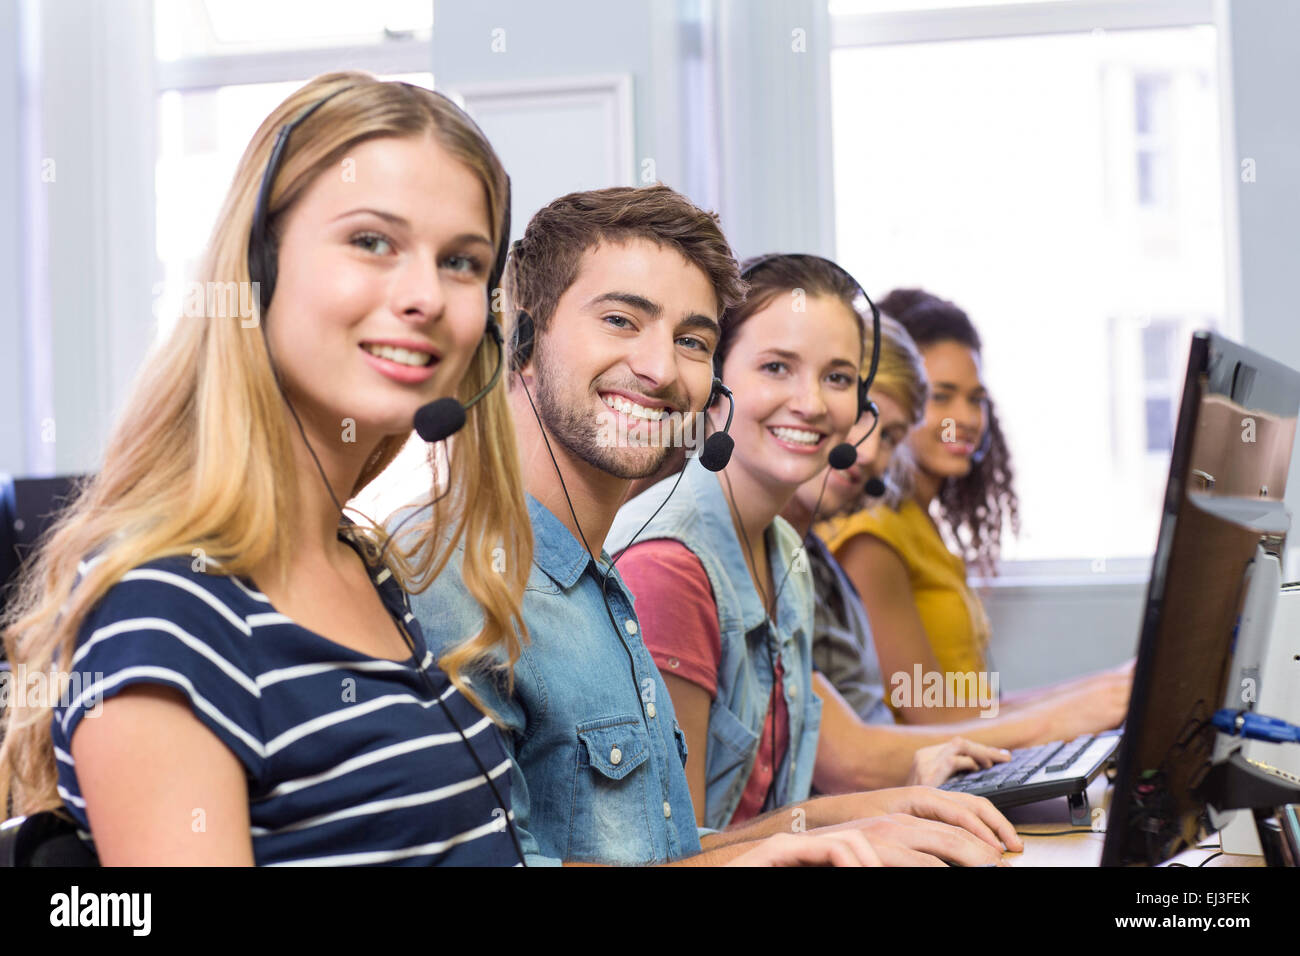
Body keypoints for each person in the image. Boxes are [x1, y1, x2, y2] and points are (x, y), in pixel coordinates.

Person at [0, 73, 533, 865]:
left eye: (461, 261)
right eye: (371, 241)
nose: (425, 294)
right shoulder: (169, 612)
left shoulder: (360, 561)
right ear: (259, 268)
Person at [410, 195, 1018, 866]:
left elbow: (664, 851)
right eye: (620, 320)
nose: (660, 368)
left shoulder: (596, 583)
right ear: (519, 342)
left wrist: (870, 815)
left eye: (692, 341)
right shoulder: (450, 580)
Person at [607, 254, 1023, 853]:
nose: (811, 402)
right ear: (715, 380)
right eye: (777, 367)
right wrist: (865, 820)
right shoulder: (671, 567)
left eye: (837, 378)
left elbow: (778, 812)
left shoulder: (784, 550)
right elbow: (678, 853)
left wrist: (901, 800)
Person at [785, 314, 1132, 789]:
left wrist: (1099, 693)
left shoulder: (921, 528)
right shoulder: (873, 532)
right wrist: (1085, 706)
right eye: (941, 396)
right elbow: (932, 713)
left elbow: (972, 704)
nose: (965, 419)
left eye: (976, 399)